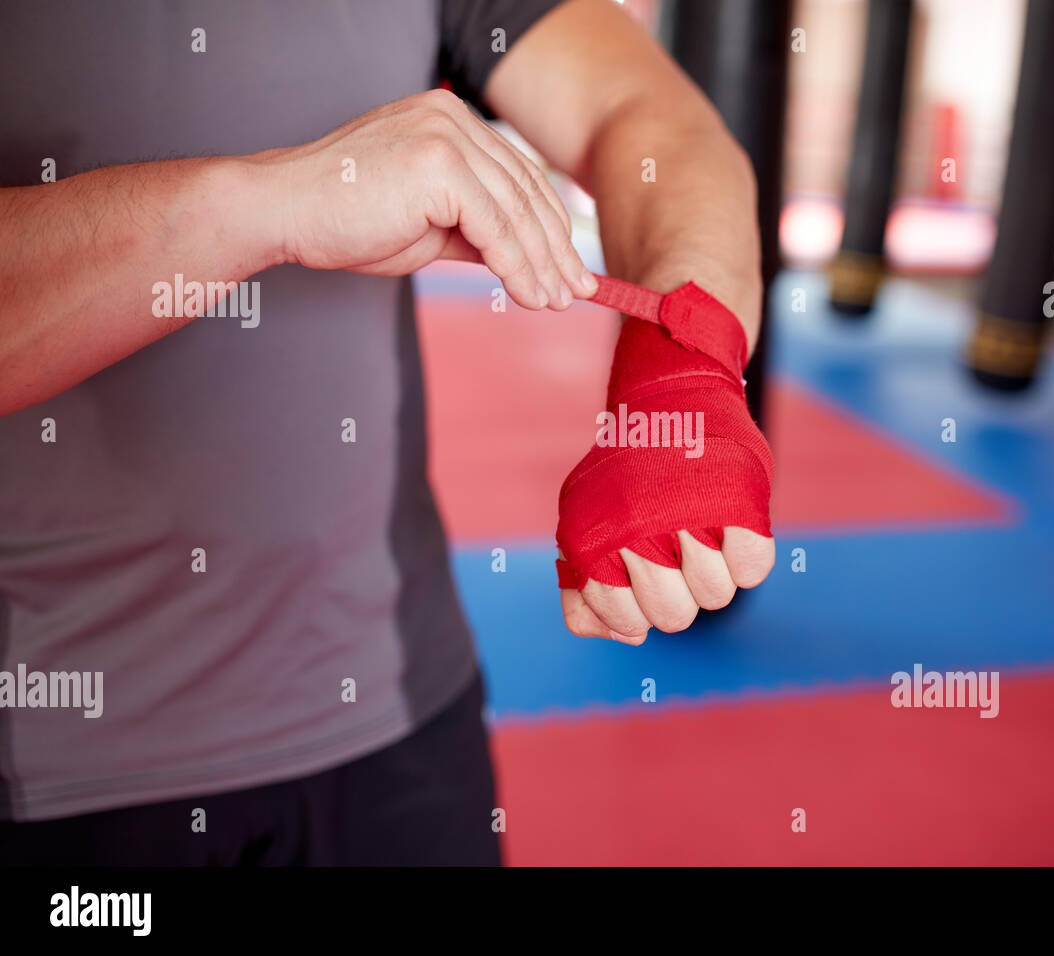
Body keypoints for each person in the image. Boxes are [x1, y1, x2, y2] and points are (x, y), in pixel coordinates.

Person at [0, 0, 774, 865]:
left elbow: (649, 118)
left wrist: (677, 384)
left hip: (397, 709)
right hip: (56, 764)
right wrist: (264, 205)